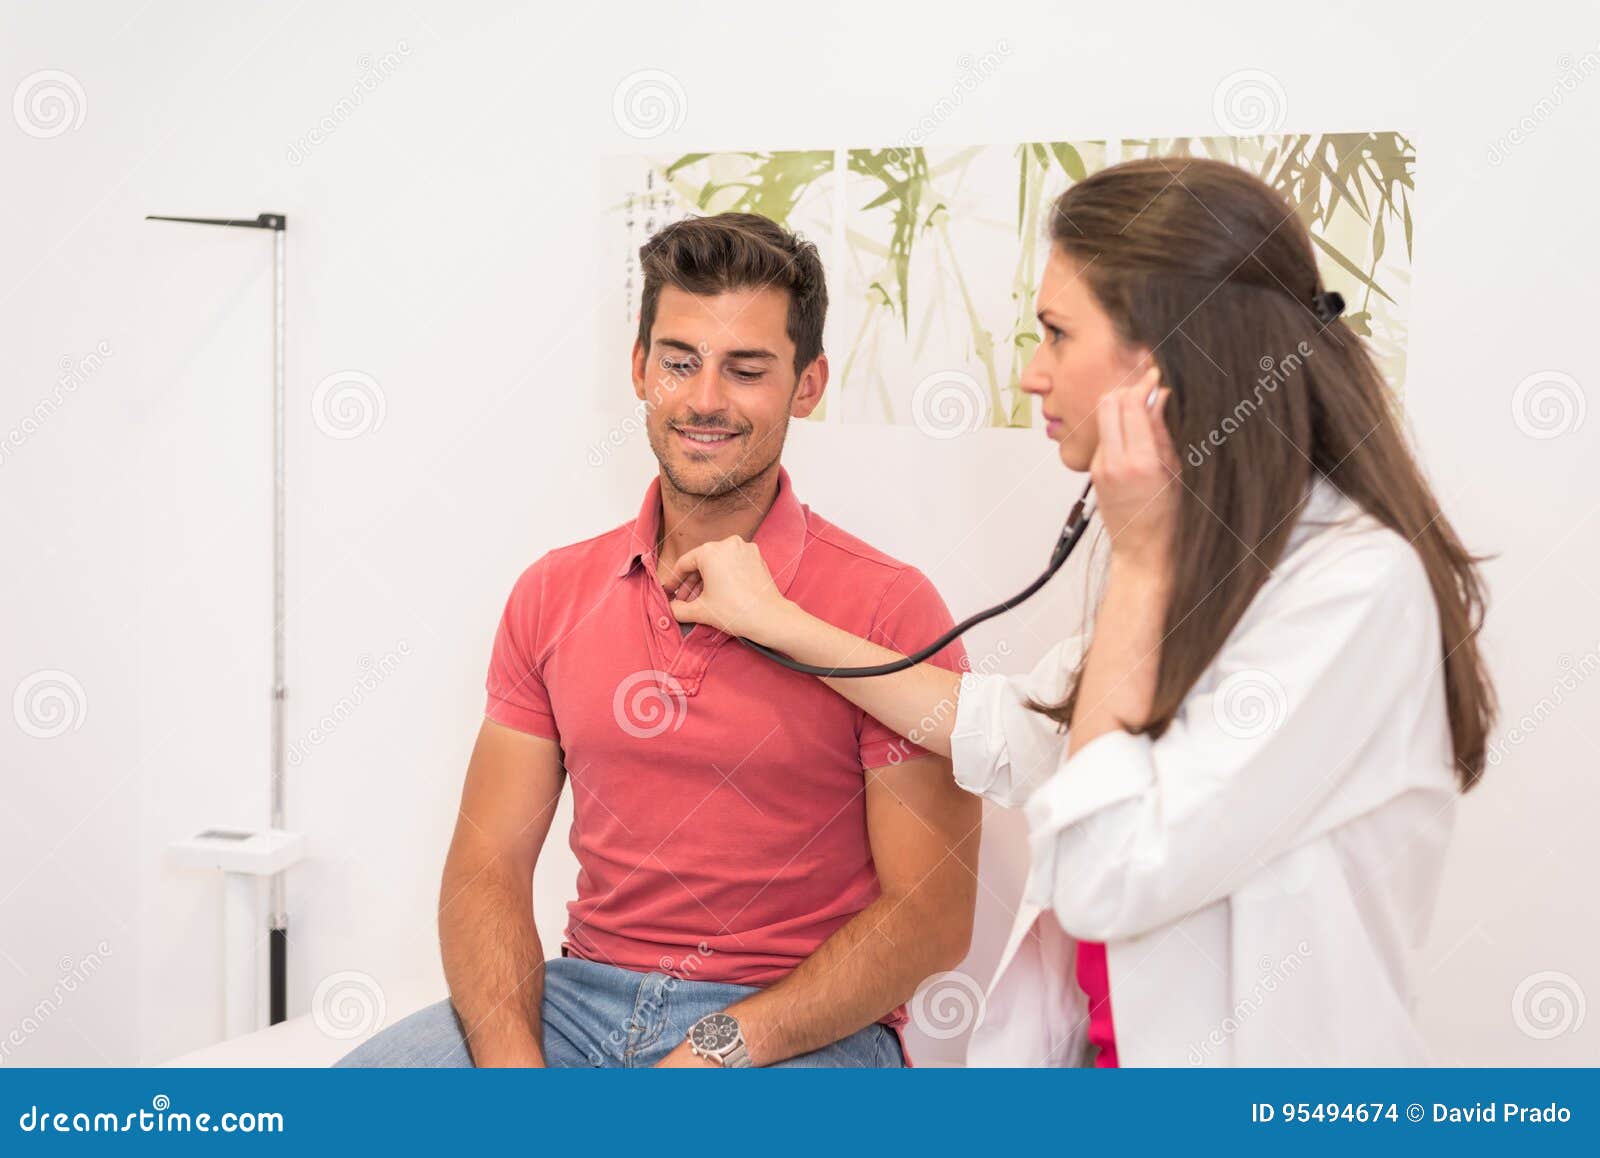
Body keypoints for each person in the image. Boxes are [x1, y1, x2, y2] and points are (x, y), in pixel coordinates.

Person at [660, 156, 1497, 1067]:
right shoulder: (1209, 558)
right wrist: (774, 619)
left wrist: (1136, 567)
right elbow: (1017, 730)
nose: (1031, 374)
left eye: (1058, 334)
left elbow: (1106, 876)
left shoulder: (1352, 594)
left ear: (1167, 358)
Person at [336, 211, 979, 1069]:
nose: (705, 399)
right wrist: (513, 1080)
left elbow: (931, 920)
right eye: (679, 362)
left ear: (809, 383)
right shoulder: (552, 593)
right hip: (576, 1002)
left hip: (795, 1029)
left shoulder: (890, 608)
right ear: (640, 369)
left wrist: (711, 1051)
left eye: (746, 369)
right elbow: (487, 867)